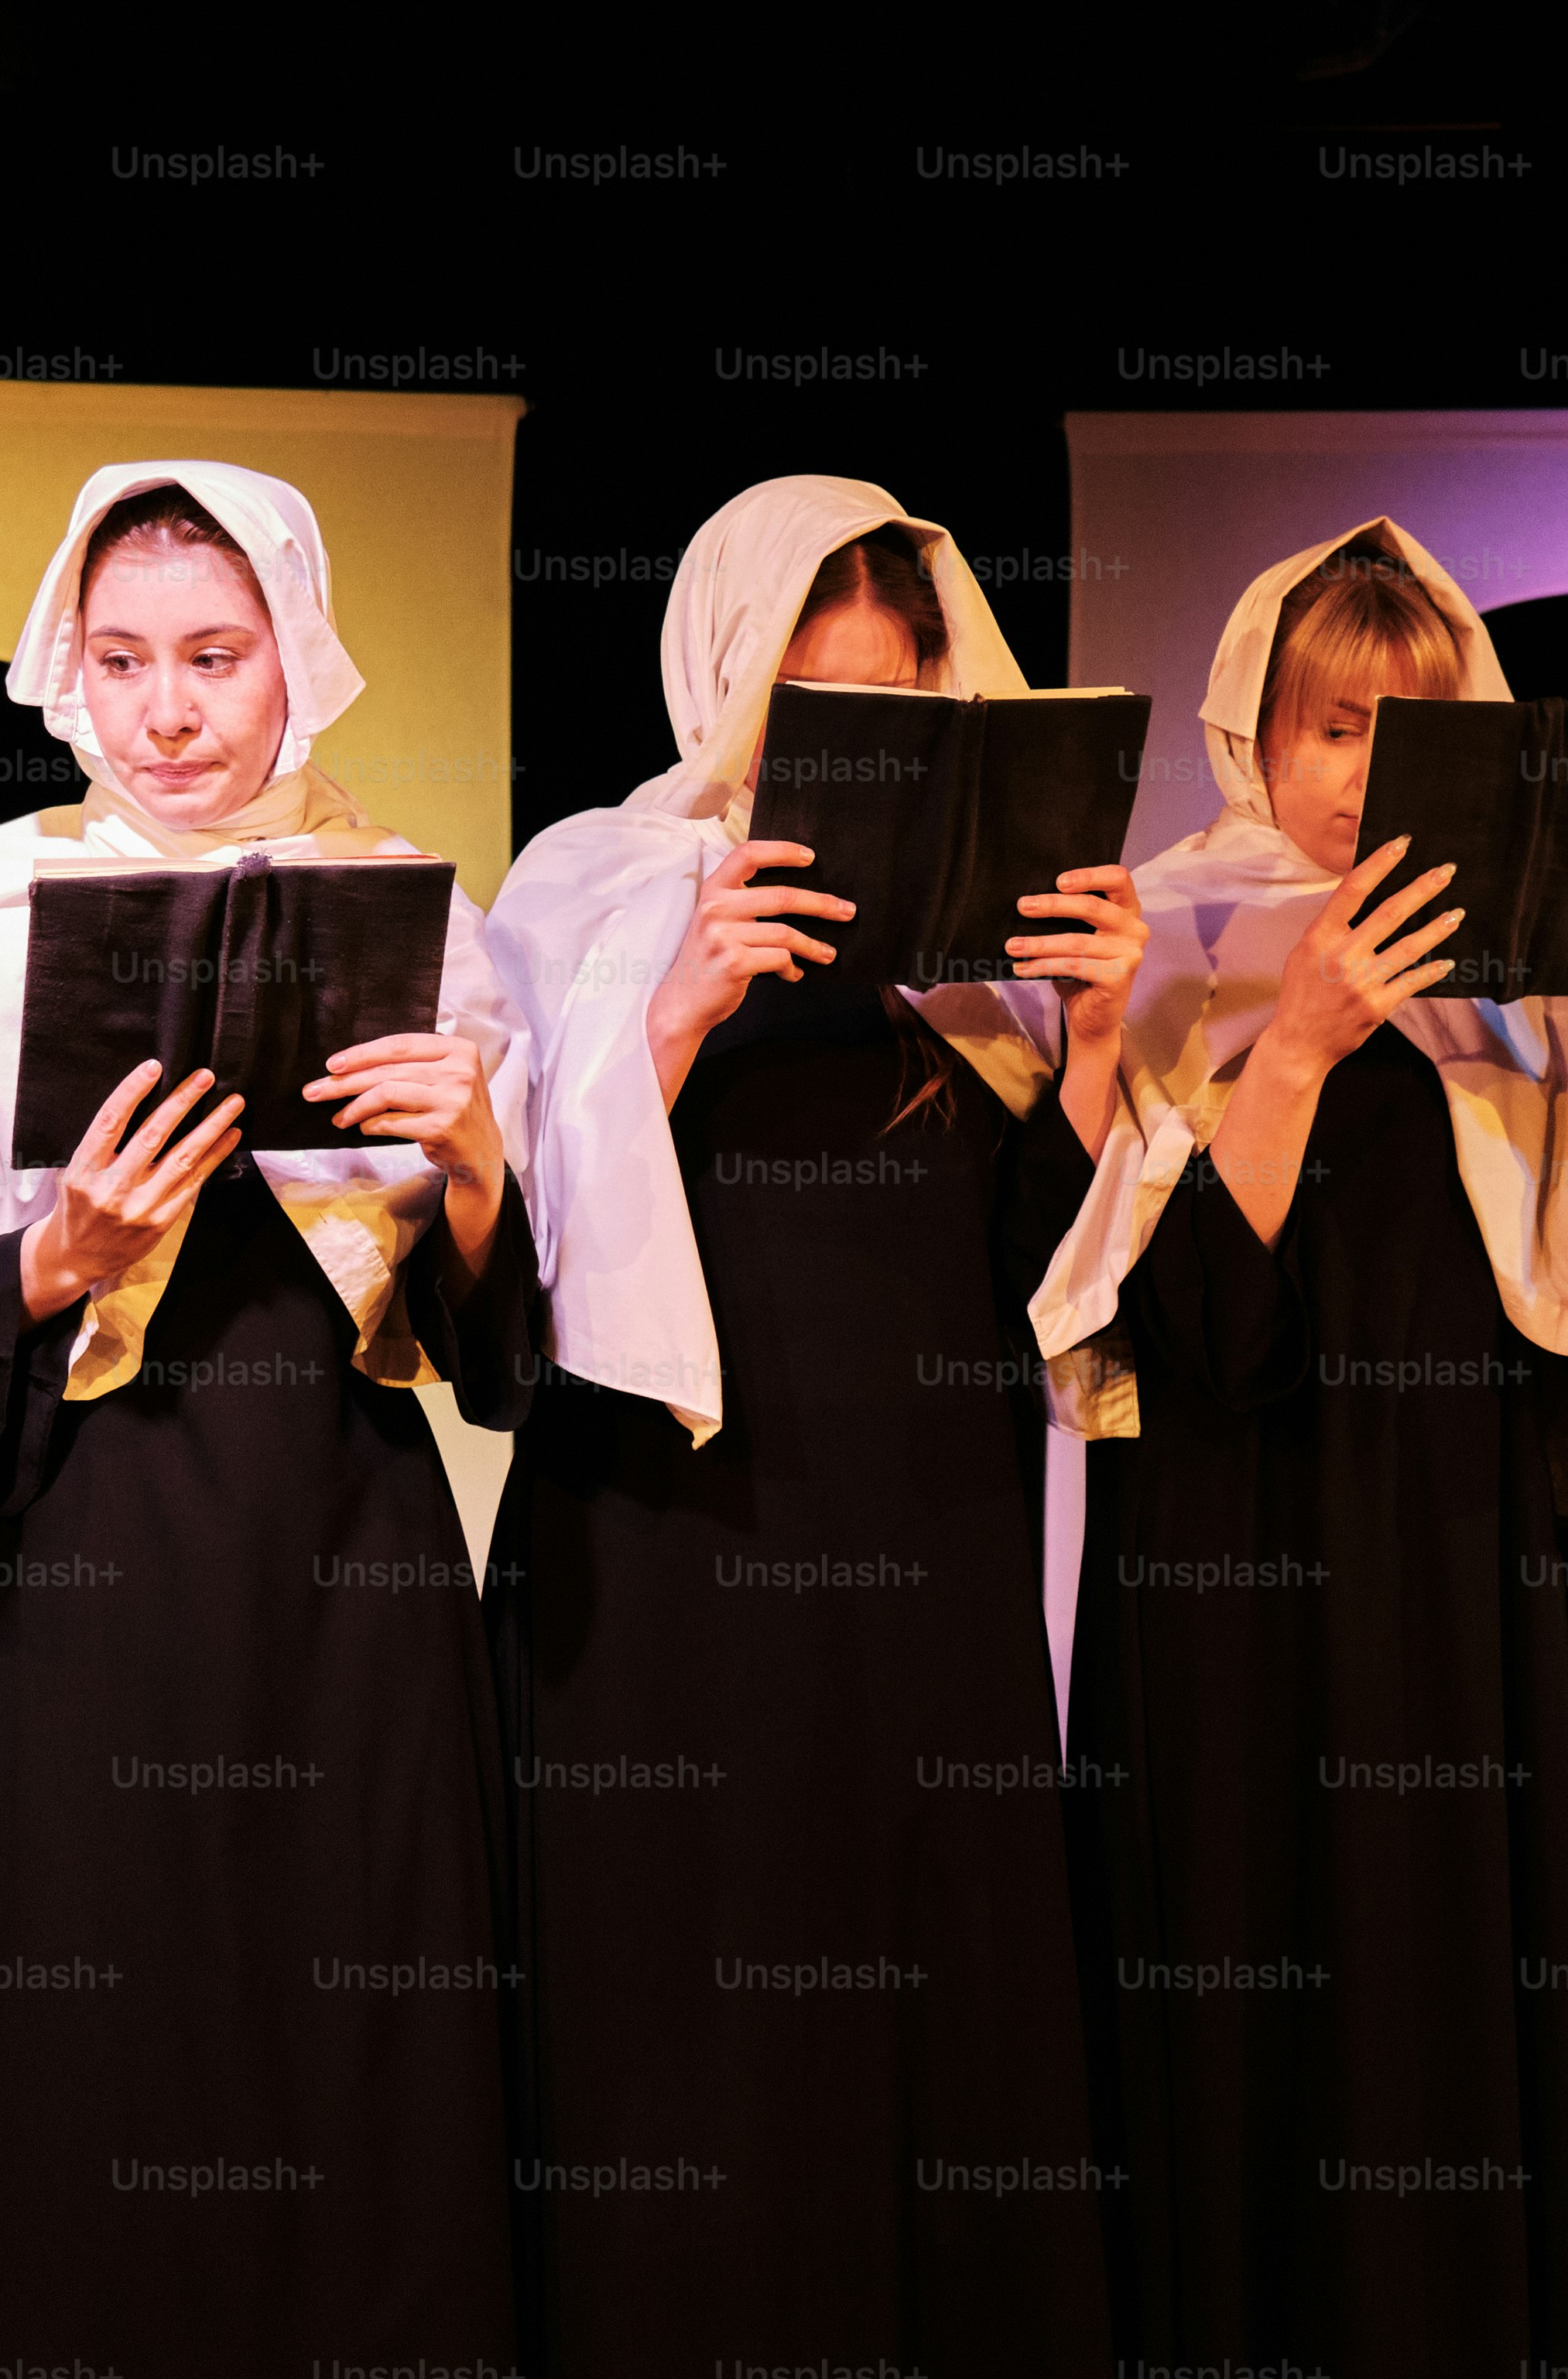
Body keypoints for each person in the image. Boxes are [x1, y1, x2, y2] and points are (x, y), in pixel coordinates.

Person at [0, 464, 537, 2378]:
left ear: (293, 656)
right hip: (76, 1546)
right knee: (84, 2015)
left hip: (342, 1560)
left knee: (340, 2019)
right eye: (124, 659)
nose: (167, 712)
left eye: (215, 658)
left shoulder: (416, 909)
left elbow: (503, 1346)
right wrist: (59, 1254)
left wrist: (474, 1157)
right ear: (69, 668)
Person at [481, 474, 1130, 2376]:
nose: (857, 749)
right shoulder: (591, 882)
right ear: (726, 687)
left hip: (924, 1555)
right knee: (692, 2029)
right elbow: (501, 1264)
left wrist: (1089, 1039)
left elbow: (1055, 1283)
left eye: (895, 709)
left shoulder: (976, 952)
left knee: (930, 2018)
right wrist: (670, 1016)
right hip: (667, 1558)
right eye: (810, 705)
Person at [1055, 520, 1568, 2367]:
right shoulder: (1173, 934)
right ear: (1250, 734)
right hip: (1242, 1549)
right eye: (1331, 727)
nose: (1361, 775)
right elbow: (1180, 1328)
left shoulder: (1506, 972)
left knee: (1448, 1967)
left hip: (1453, 1543)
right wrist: (1298, 1045)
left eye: (1408, 733)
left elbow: (1565, 1280)